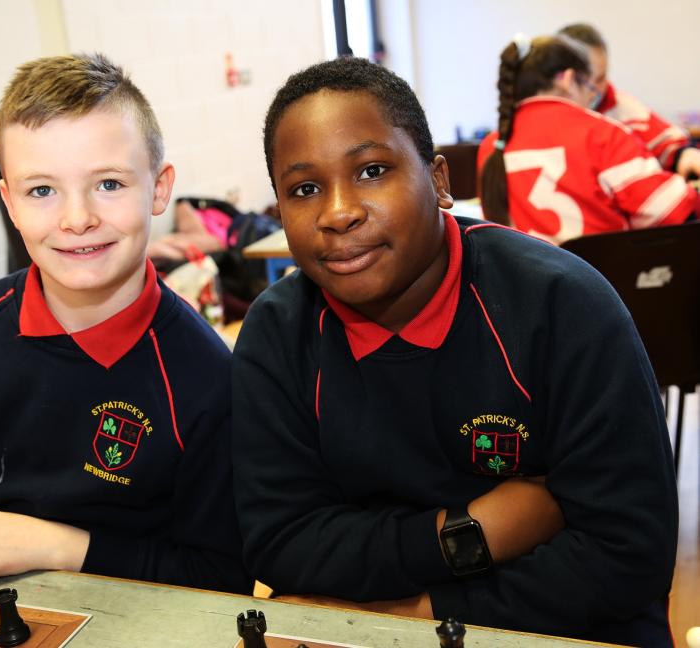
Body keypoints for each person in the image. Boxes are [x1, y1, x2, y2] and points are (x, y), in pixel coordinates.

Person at [232, 56, 678, 647]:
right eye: (305, 188)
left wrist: (421, 609)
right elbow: (280, 542)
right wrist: (474, 532)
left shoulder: (562, 306)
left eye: (371, 170)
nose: (338, 212)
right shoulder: (277, 332)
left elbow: (626, 557)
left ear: (438, 180)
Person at [0, 53, 250, 594]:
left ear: (158, 188)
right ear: (10, 203)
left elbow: (221, 576)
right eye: (42, 190)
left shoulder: (205, 376)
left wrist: (60, 546)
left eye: (109, 184)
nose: (77, 218)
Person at [478, 34, 699, 242]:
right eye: (590, 88)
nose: (593, 98)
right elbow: (668, 209)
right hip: (601, 277)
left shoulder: (493, 145)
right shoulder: (601, 133)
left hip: (524, 280)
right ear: (567, 78)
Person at [559, 22, 700, 179]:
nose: (598, 89)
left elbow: (671, 145)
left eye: (602, 77)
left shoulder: (622, 107)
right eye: (591, 81)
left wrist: (686, 155)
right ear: (566, 79)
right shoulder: (544, 118)